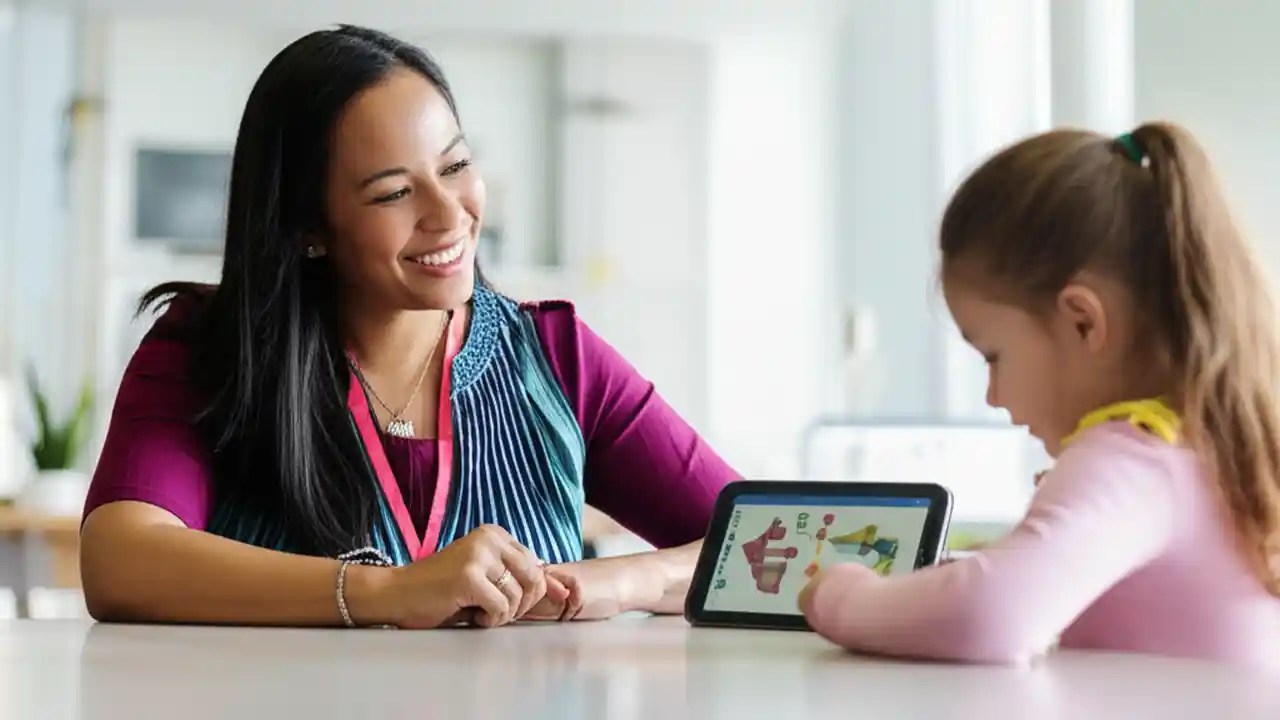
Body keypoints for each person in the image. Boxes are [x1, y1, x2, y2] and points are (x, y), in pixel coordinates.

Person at [80, 25, 738, 629]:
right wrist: (388, 591)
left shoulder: (558, 359)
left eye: (454, 167)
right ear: (308, 229)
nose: (449, 216)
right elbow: (121, 560)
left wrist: (626, 581)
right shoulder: (208, 347)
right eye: (394, 193)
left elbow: (782, 545)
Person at [800, 122, 1280, 670]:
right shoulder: (1210, 445)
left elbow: (990, 615)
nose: (993, 396)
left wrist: (842, 595)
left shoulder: (1134, 459)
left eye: (993, 357)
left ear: (1082, 323)